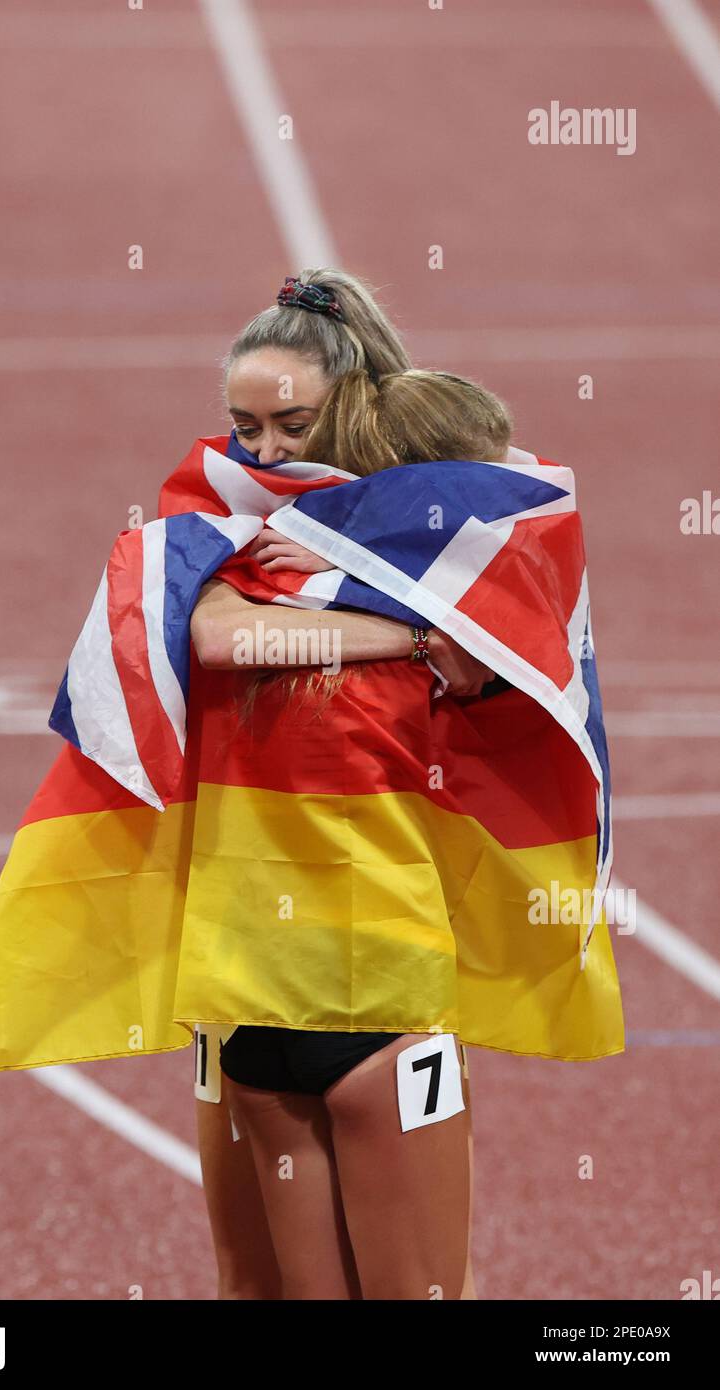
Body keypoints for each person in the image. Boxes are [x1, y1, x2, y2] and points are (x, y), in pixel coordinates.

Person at [187, 273, 506, 1299]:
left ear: (360, 400)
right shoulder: (234, 533)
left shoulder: (449, 554)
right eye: (244, 426)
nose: (267, 451)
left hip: (375, 999)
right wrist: (402, 633)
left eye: (292, 421)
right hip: (253, 998)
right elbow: (218, 637)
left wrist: (389, 603)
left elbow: (492, 658)